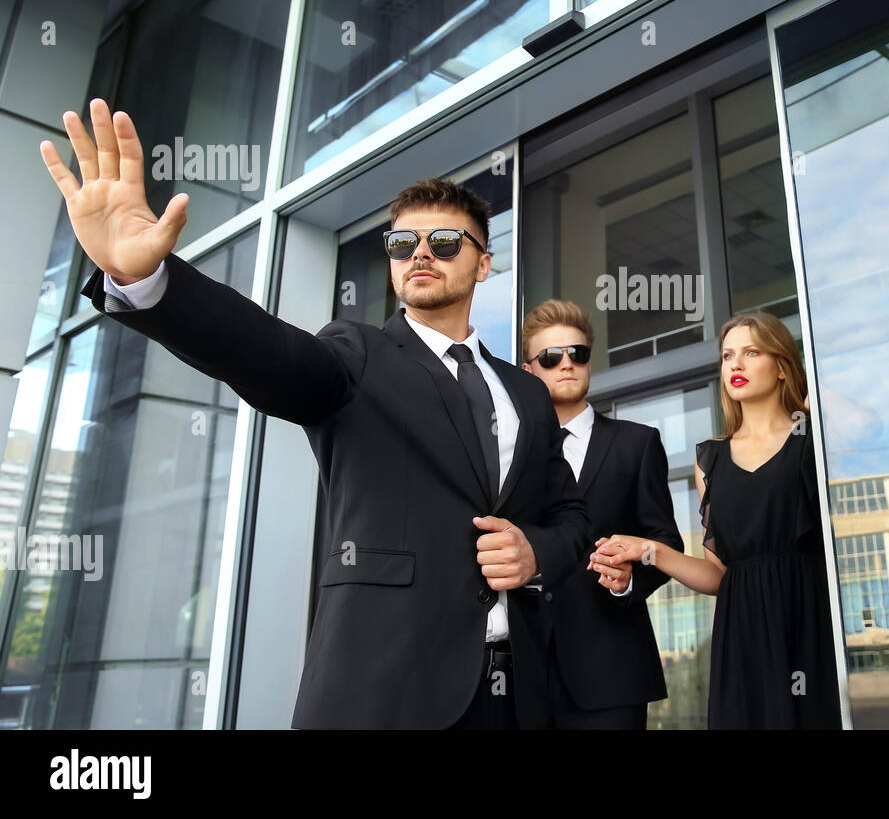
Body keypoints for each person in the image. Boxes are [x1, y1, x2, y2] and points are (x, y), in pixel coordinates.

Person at [39, 99, 589, 729]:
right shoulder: (357, 355)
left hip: (518, 692)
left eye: (443, 241)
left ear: (484, 263)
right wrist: (151, 283)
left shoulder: (525, 393)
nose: (420, 254)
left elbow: (569, 514)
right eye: (403, 242)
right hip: (383, 694)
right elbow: (268, 356)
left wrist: (535, 553)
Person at [594, 311, 841, 728]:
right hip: (740, 634)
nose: (735, 365)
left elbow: (868, 424)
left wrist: (811, 395)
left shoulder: (811, 436)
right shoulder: (710, 459)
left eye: (751, 352)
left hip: (807, 620)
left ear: (781, 366)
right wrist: (649, 550)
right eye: (728, 356)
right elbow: (717, 575)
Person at [520, 300, 683, 728]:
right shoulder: (510, 456)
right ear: (528, 371)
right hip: (524, 670)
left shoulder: (638, 443)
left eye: (578, 353)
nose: (567, 364)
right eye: (551, 357)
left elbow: (665, 543)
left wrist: (628, 580)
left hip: (612, 668)